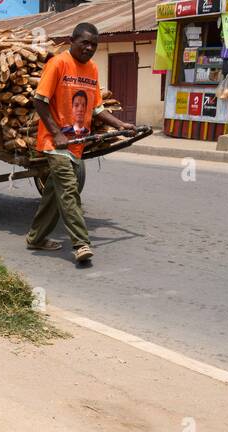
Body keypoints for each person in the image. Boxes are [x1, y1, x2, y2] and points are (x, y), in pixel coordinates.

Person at [27, 22, 135, 266]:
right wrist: (56, 133)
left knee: (54, 192)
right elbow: (39, 100)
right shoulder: (58, 63)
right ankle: (81, 244)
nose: (89, 48)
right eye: (84, 42)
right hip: (55, 143)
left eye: (94, 45)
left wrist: (120, 125)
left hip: (77, 142)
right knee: (69, 191)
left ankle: (36, 238)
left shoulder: (93, 69)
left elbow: (97, 108)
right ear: (72, 41)